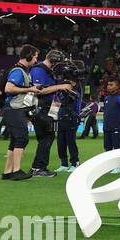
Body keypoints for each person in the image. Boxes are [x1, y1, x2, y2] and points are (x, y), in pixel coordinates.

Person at [0, 45, 43, 180]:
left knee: (15, 140)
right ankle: (16, 170)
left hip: (12, 109)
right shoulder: (18, 71)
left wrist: (31, 89)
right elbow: (9, 88)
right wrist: (30, 90)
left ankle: (8, 172)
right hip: (14, 109)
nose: (36, 60)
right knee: (22, 138)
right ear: (28, 55)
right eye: (35, 56)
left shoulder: (22, 70)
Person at [29, 48, 74, 177]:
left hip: (48, 107)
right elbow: (39, 90)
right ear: (54, 62)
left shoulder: (47, 71)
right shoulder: (39, 70)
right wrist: (60, 86)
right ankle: (38, 167)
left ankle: (38, 167)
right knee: (46, 136)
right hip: (41, 107)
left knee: (46, 137)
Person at [55, 78, 81, 172]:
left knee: (71, 143)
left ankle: (75, 163)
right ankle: (64, 164)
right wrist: (53, 117)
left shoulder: (75, 94)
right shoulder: (58, 94)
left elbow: (74, 98)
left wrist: (68, 90)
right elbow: (55, 106)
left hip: (71, 120)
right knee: (60, 143)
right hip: (61, 120)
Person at [102, 79, 120, 154]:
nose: (109, 87)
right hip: (107, 127)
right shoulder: (106, 98)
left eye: (111, 85)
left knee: (117, 148)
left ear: (117, 87)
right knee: (107, 148)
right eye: (108, 85)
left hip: (116, 127)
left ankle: (119, 165)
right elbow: (105, 113)